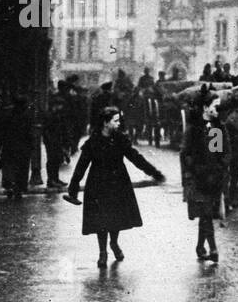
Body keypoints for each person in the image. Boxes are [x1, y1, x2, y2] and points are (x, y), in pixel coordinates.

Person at [64, 106, 166, 268]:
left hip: (118, 182)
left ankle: (114, 243)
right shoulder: (93, 142)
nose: (119, 124)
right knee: (101, 219)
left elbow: (135, 157)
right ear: (105, 123)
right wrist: (73, 189)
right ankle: (102, 252)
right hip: (98, 183)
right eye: (115, 121)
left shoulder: (120, 139)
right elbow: (81, 166)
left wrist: (154, 172)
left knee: (116, 218)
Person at [181, 89, 229, 263]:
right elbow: (185, 154)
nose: (218, 109)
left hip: (212, 179)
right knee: (207, 212)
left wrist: (219, 167)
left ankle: (200, 246)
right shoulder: (194, 129)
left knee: (206, 212)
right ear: (205, 107)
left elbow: (221, 152)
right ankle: (213, 248)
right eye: (215, 106)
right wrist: (196, 168)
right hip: (197, 179)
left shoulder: (217, 128)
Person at [0, 94, 34, 200]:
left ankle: (9, 186)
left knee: (9, 167)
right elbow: (29, 132)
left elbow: (2, 130)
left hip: (9, 146)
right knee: (21, 168)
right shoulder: (26, 116)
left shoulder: (8, 114)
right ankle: (19, 188)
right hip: (22, 147)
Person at [43, 94, 74, 189]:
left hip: (57, 140)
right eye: (60, 105)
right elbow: (46, 130)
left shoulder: (57, 115)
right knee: (52, 160)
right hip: (51, 141)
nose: (61, 107)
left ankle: (55, 179)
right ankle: (51, 180)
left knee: (56, 160)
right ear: (55, 105)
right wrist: (50, 140)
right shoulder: (50, 115)